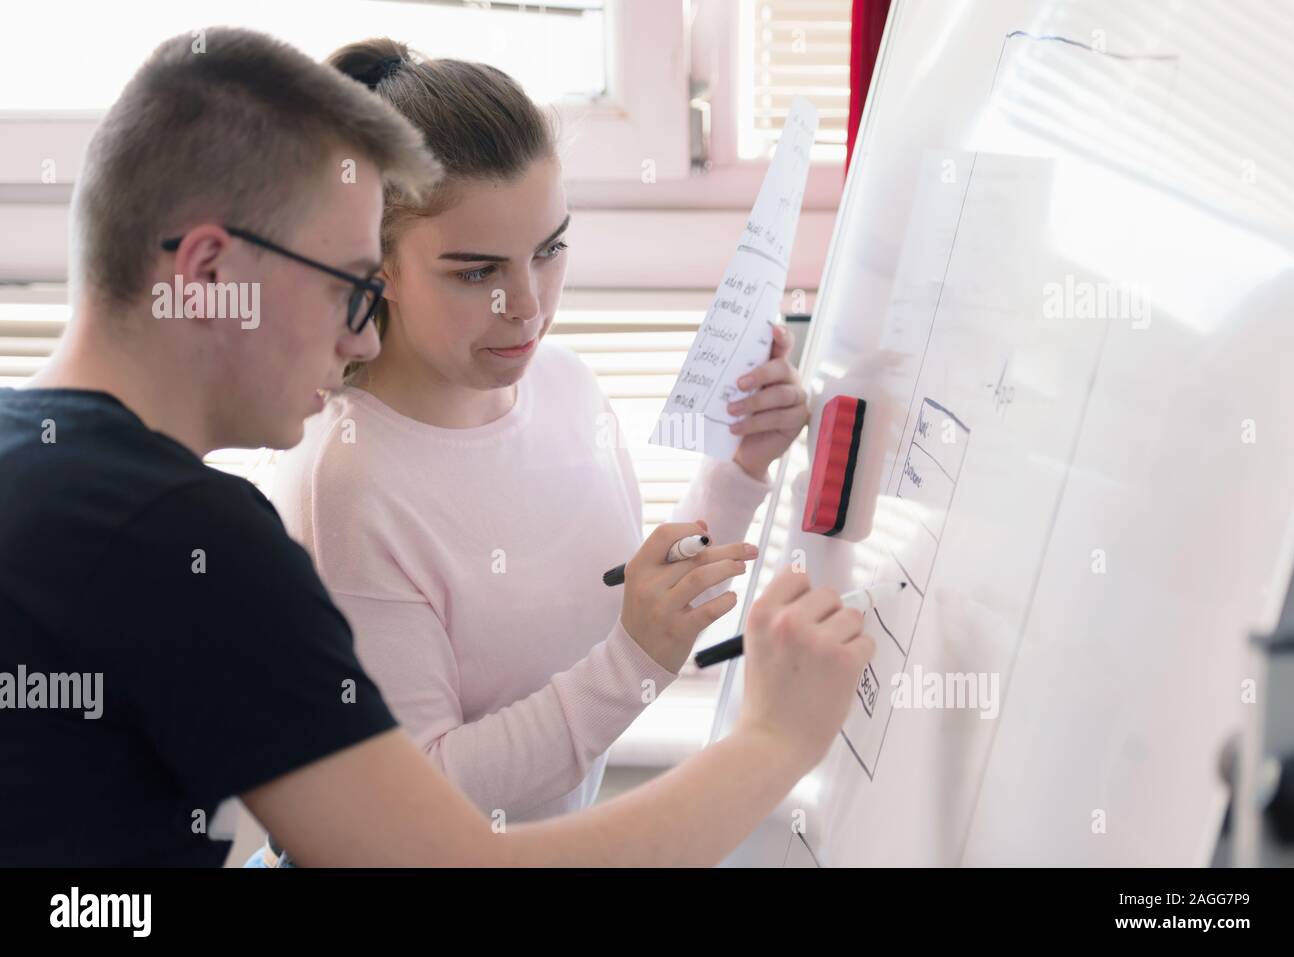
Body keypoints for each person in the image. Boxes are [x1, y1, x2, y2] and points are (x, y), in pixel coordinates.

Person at [0, 26, 872, 867]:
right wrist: (774, 740)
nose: (362, 339)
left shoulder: (40, 463)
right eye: (349, 287)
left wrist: (738, 474)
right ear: (208, 274)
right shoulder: (195, 533)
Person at [264, 38, 812, 830]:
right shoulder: (346, 483)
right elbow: (417, 799)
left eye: (549, 251)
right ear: (375, 265)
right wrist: (634, 661)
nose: (526, 306)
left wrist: (743, 467)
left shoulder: (562, 382)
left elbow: (632, 597)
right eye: (476, 271)